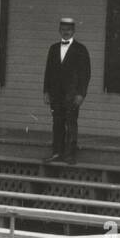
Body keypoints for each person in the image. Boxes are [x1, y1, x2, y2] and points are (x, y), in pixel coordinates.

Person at [43, 17, 90, 163]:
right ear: (59, 31)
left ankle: (70, 154)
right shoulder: (53, 48)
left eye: (68, 30)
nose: (66, 32)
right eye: (63, 30)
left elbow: (85, 74)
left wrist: (81, 94)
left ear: (73, 31)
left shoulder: (80, 49)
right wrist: (46, 91)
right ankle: (57, 152)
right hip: (56, 93)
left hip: (72, 94)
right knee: (57, 123)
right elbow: (48, 71)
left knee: (71, 123)